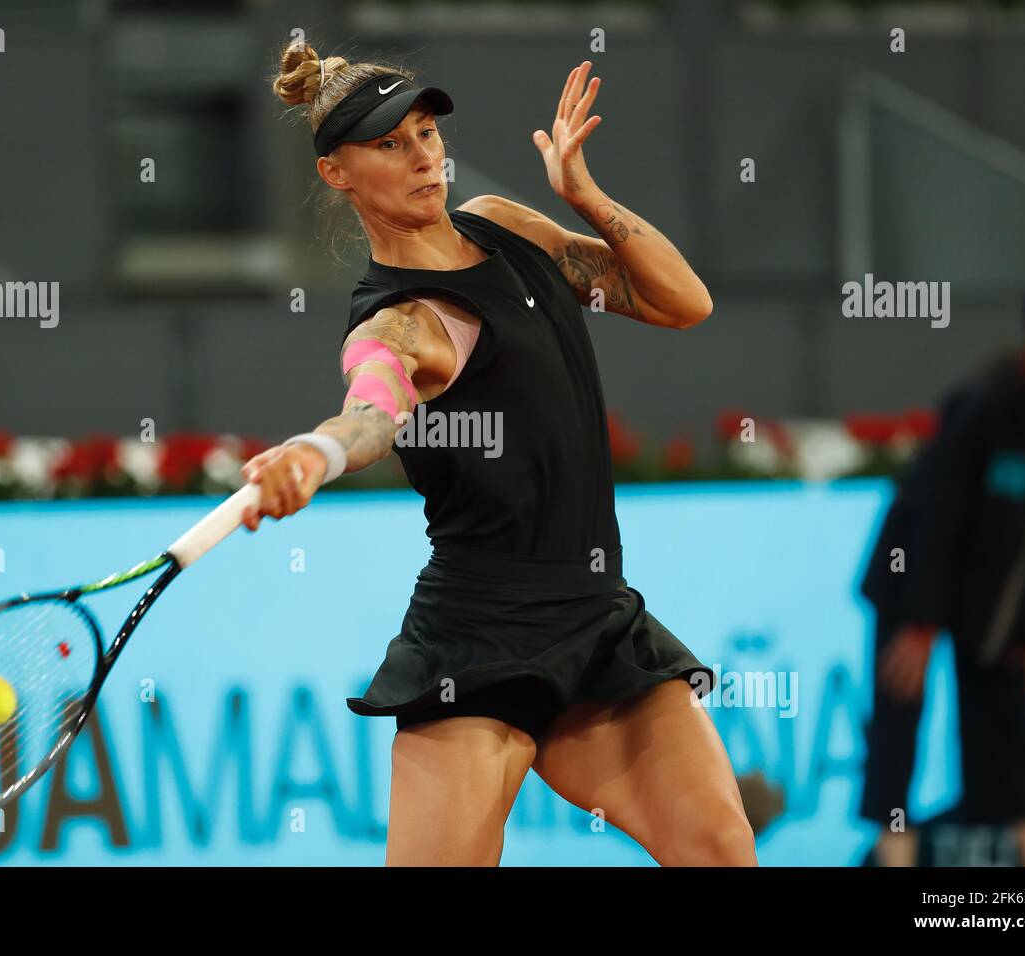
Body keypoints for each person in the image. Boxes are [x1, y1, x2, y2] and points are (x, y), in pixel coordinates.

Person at [234, 40, 755, 867]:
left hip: (596, 620)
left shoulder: (509, 229)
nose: (422, 157)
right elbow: (369, 412)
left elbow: (682, 301)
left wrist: (584, 196)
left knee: (725, 853)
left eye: (426, 133)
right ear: (336, 173)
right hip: (474, 647)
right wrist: (314, 454)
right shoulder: (399, 323)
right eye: (389, 144)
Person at [858, 274, 1025, 867]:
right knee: (899, 724)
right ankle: (897, 859)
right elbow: (937, 520)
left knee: (1011, 731)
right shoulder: (988, 406)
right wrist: (918, 621)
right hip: (913, 578)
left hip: (997, 602)